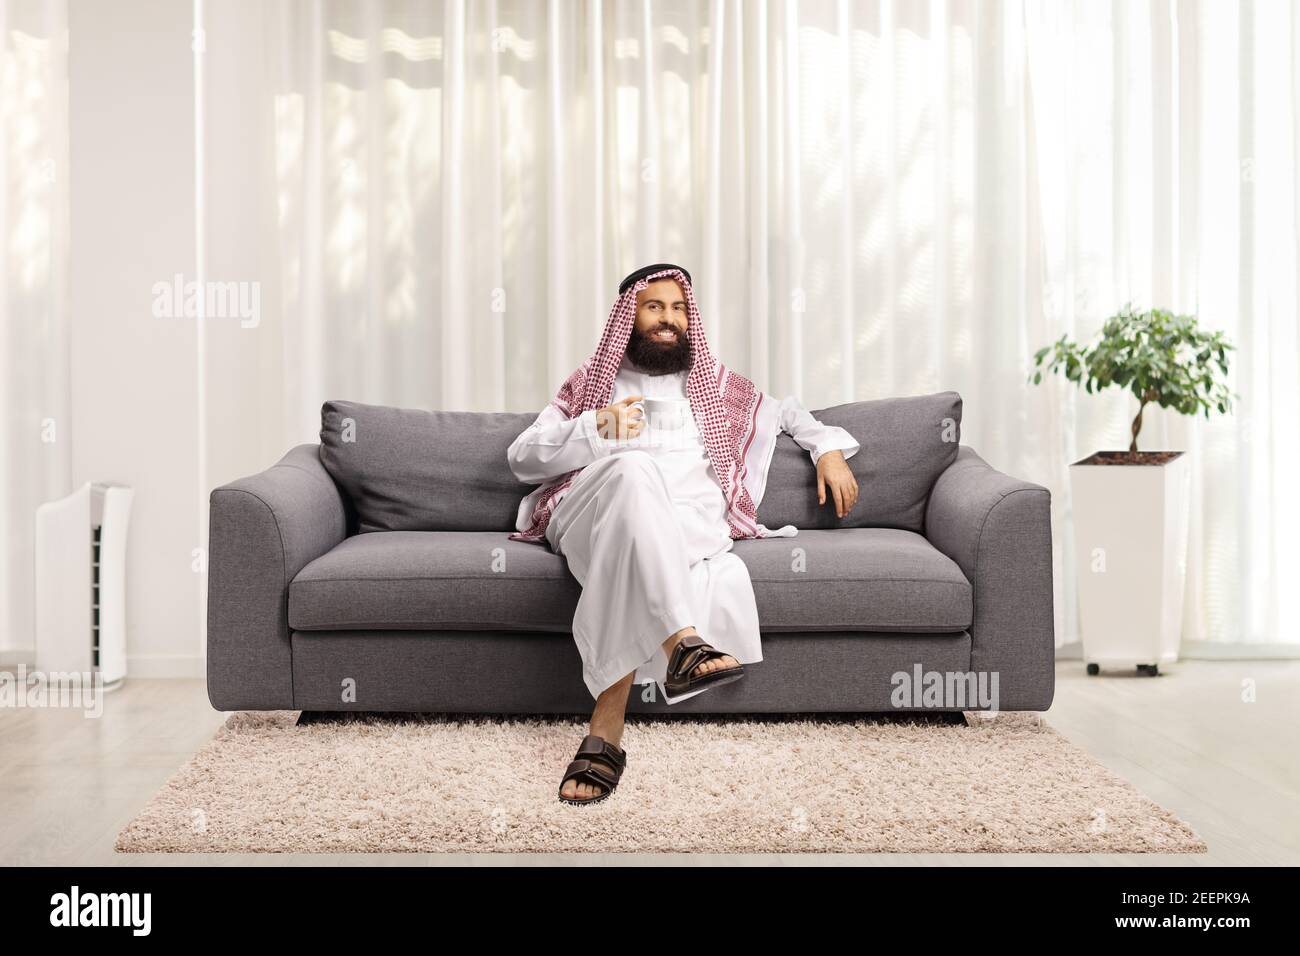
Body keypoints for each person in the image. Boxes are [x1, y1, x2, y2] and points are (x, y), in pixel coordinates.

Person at [506, 263, 860, 804]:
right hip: (588, 514)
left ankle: (606, 730)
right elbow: (523, 458)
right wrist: (595, 427)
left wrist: (828, 449)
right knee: (632, 469)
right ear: (629, 318)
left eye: (677, 309)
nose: (667, 319)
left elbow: (787, 411)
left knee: (632, 544)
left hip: (680, 532)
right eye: (654, 307)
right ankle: (683, 642)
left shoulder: (714, 387)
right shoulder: (590, 384)